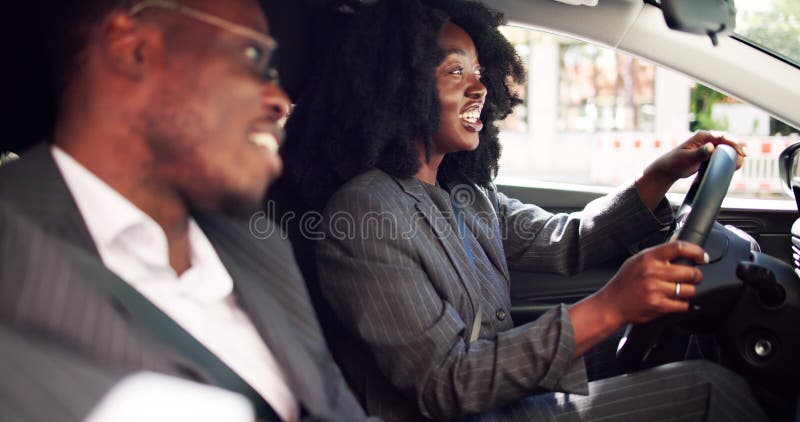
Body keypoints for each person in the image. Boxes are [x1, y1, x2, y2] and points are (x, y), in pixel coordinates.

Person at [277, 0, 769, 420]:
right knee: (709, 390)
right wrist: (610, 306)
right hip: (468, 410)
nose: (480, 88)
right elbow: (448, 383)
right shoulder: (364, 212)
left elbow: (566, 240)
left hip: (500, 396)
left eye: (479, 72)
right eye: (455, 72)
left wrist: (656, 178)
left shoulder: (465, 193)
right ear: (397, 89)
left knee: (691, 337)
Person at [0, 0, 371, 420]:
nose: (280, 101)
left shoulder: (257, 245)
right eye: (254, 56)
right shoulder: (15, 243)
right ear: (132, 50)